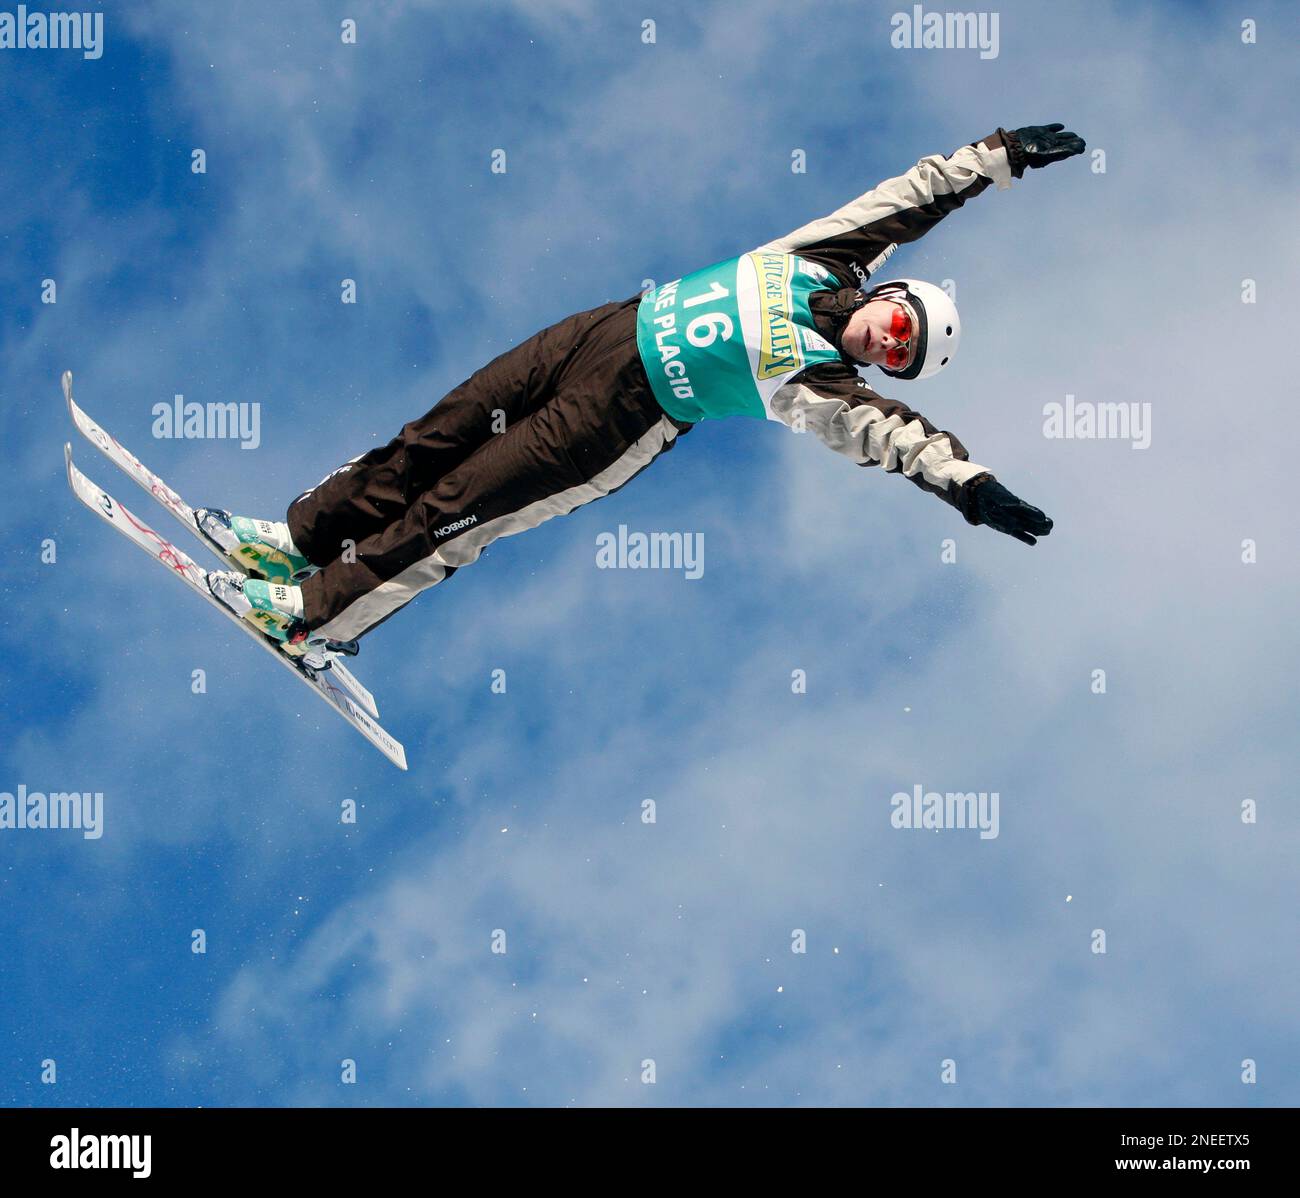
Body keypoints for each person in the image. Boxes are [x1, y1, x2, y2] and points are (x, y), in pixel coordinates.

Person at [201, 121, 1085, 663]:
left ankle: (318, 615)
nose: (886, 346)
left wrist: (973, 489)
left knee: (457, 508)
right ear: (892, 297)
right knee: (435, 435)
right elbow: (915, 193)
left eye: (899, 359)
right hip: (602, 332)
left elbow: (904, 444)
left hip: (621, 419)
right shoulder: (829, 254)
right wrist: (1000, 156)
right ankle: (300, 539)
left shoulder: (825, 385)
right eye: (900, 328)